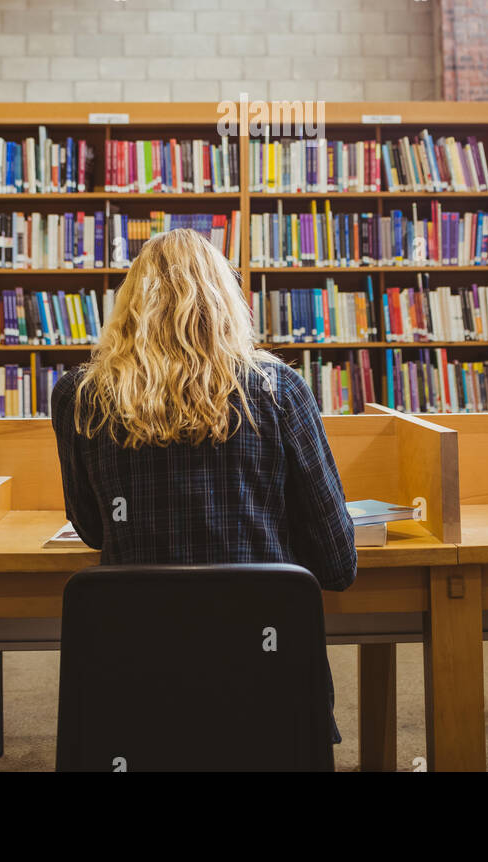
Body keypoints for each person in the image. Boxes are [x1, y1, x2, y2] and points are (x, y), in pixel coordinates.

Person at [50, 226, 357, 745]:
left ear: (129, 304)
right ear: (226, 301)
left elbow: (94, 530)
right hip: (267, 676)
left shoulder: (80, 394)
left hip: (136, 677)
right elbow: (338, 563)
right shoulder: (278, 388)